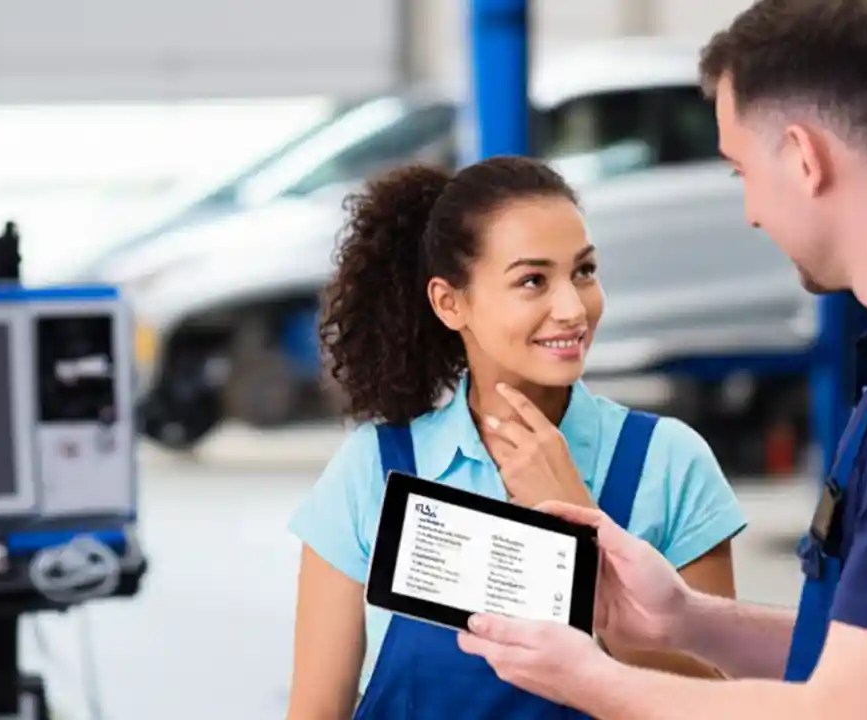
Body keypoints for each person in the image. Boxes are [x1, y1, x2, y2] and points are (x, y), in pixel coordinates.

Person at [456, 1, 867, 718]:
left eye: (740, 171)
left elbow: (852, 712)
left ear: (803, 156)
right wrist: (688, 621)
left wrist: (590, 679)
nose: (750, 213)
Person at [283, 155, 750, 719]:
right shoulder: (372, 474)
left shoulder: (669, 464)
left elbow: (723, 708)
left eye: (584, 271)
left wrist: (585, 531)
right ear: (449, 302)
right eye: (533, 280)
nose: (573, 308)